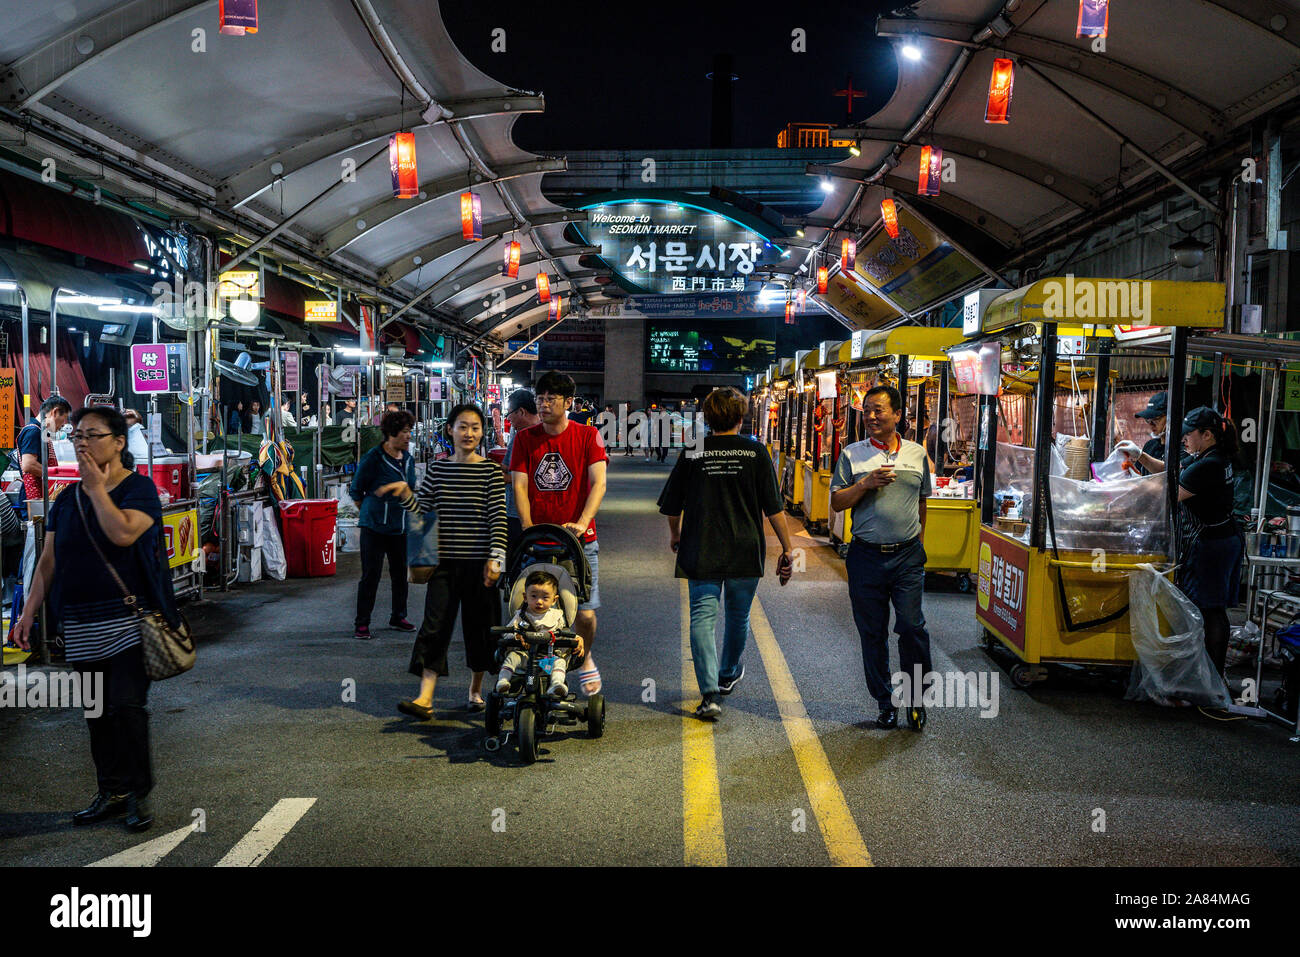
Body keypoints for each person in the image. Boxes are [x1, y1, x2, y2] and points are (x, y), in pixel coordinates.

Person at [11, 406, 173, 832]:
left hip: (127, 625)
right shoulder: (66, 499)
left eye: (92, 435)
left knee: (127, 708)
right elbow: (49, 559)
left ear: (119, 442)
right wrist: (28, 613)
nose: (82, 442)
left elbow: (122, 532)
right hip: (80, 627)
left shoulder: (137, 490)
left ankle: (138, 793)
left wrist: (97, 488)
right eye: (78, 436)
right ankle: (111, 791)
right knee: (97, 713)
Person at [658, 388, 794, 720]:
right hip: (745, 548)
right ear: (741, 417)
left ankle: (709, 695)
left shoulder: (694, 450)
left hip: (701, 547)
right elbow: (774, 508)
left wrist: (676, 536)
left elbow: (672, 506)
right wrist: (788, 548)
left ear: (708, 417)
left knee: (702, 619)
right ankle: (729, 673)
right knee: (738, 616)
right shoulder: (755, 451)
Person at [381, 403, 506, 714]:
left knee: (481, 628)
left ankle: (475, 690)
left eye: (475, 427)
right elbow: (424, 512)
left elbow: (498, 518)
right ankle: (425, 697)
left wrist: (497, 558)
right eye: (462, 426)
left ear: (482, 432)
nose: (469, 433)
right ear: (450, 429)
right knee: (434, 627)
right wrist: (406, 495)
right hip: (444, 565)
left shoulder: (490, 470)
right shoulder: (438, 469)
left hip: (480, 566)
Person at [829, 384, 933, 732]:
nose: (871, 416)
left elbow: (922, 501)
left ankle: (917, 701)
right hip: (865, 558)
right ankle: (885, 702)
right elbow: (837, 502)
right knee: (872, 633)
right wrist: (864, 485)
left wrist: (919, 540)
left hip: (906, 557)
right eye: (867, 410)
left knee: (912, 627)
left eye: (879, 410)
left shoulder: (917, 454)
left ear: (898, 415)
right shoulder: (852, 454)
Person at [1121, 406, 1243, 677]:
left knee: (1210, 610)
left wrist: (1129, 484)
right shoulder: (1208, 456)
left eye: (1189, 434)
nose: (1184, 439)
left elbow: (1167, 495)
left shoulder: (1209, 465)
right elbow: (1171, 471)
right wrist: (1141, 456)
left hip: (1213, 545)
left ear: (1208, 435)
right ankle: (1205, 675)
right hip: (1220, 540)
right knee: (1210, 608)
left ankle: (1210, 678)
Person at [510, 370, 608, 696]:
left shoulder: (587, 436)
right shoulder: (525, 439)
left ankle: (582, 656)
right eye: (540, 398)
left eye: (551, 398)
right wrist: (526, 525)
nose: (544, 404)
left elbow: (599, 483)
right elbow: (520, 484)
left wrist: (582, 521)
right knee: (524, 609)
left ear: (569, 402)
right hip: (535, 541)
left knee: (585, 615)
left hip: (578, 542)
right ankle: (533, 669)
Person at [349, 410, 416, 639]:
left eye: (410, 432)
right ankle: (362, 623)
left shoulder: (408, 459)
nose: (408, 437)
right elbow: (356, 490)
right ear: (392, 433)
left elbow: (411, 489)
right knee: (371, 575)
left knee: (400, 575)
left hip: (399, 527)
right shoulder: (373, 458)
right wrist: (371, 512)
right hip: (374, 528)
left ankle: (398, 616)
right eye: (405, 432)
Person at [495, 569, 572, 698]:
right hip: (525, 656)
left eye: (545, 597)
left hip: (546, 659)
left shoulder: (556, 616)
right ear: (525, 597)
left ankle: (556, 684)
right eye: (534, 596)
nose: (539, 601)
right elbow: (507, 632)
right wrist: (516, 636)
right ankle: (503, 681)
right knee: (512, 657)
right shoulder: (521, 616)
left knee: (560, 662)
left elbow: (564, 633)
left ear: (554, 600)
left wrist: (574, 639)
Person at [17, 396, 72, 519]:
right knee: (36, 536)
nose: (64, 424)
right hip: (32, 498)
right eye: (65, 419)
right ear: (55, 412)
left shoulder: (41, 432)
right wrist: (56, 476)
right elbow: (28, 465)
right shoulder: (33, 431)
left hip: (39, 498)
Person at [503, 389, 541, 556]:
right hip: (512, 511)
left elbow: (529, 476)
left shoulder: (540, 436)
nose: (508, 418)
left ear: (521, 412)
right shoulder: (518, 435)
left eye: (509, 413)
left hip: (524, 514)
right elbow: (507, 466)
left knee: (519, 562)